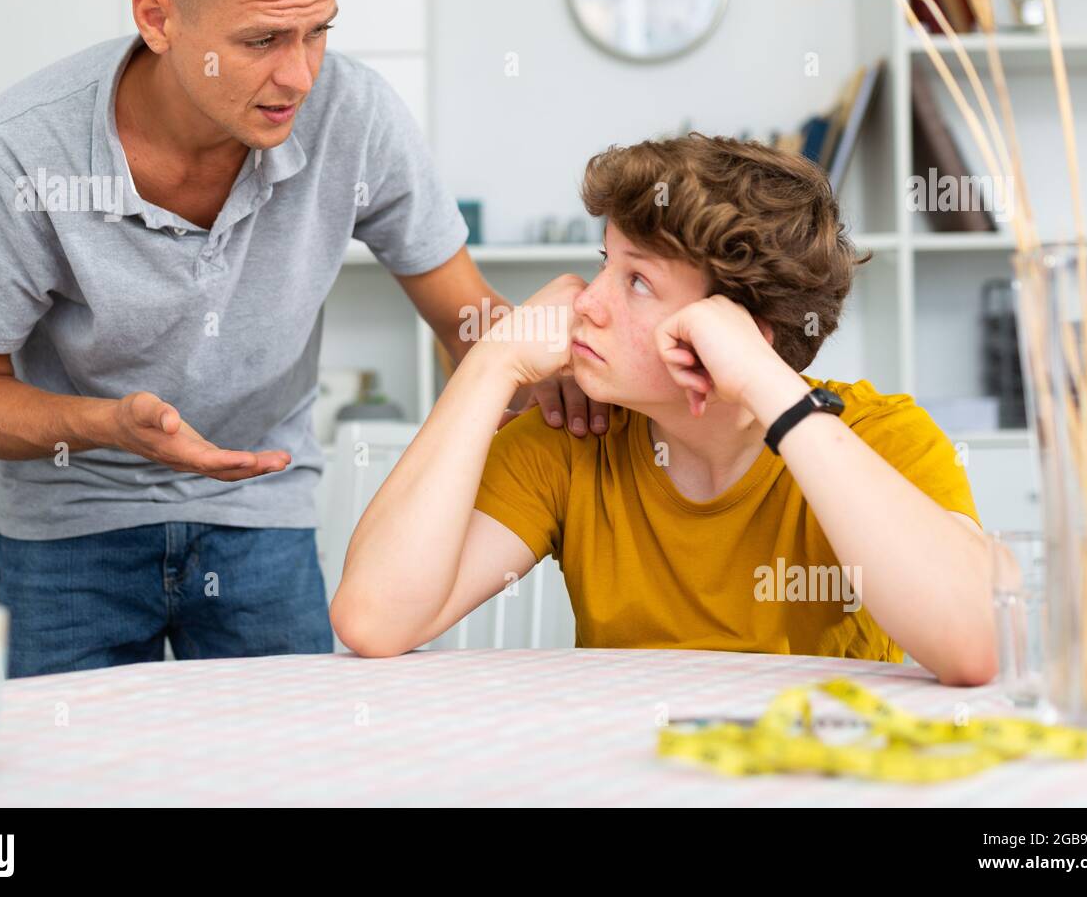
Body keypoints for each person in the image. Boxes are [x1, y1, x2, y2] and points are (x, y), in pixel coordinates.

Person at [0, 0, 605, 679]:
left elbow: (466, 318)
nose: (301, 75)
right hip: (72, 528)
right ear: (157, 17)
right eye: (262, 41)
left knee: (288, 780)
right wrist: (108, 427)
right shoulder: (22, 149)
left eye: (320, 31)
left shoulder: (353, 115)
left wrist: (566, 359)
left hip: (262, 516)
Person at [331, 134, 998, 686]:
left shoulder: (877, 438)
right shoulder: (575, 434)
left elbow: (975, 646)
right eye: (604, 263)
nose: (585, 302)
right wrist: (493, 361)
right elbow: (374, 619)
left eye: (638, 281)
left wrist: (767, 387)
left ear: (738, 331)